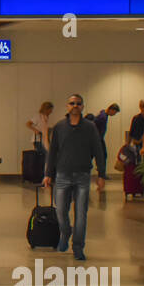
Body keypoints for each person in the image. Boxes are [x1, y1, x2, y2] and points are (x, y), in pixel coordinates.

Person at [43, 94, 107, 261]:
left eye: (78, 103)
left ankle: (78, 246)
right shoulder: (59, 127)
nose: (75, 106)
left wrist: (101, 175)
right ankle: (65, 232)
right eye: (72, 103)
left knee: (81, 214)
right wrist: (48, 174)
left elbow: (98, 151)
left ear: (83, 107)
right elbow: (53, 152)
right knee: (61, 211)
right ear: (67, 106)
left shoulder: (90, 127)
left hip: (82, 176)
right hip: (62, 175)